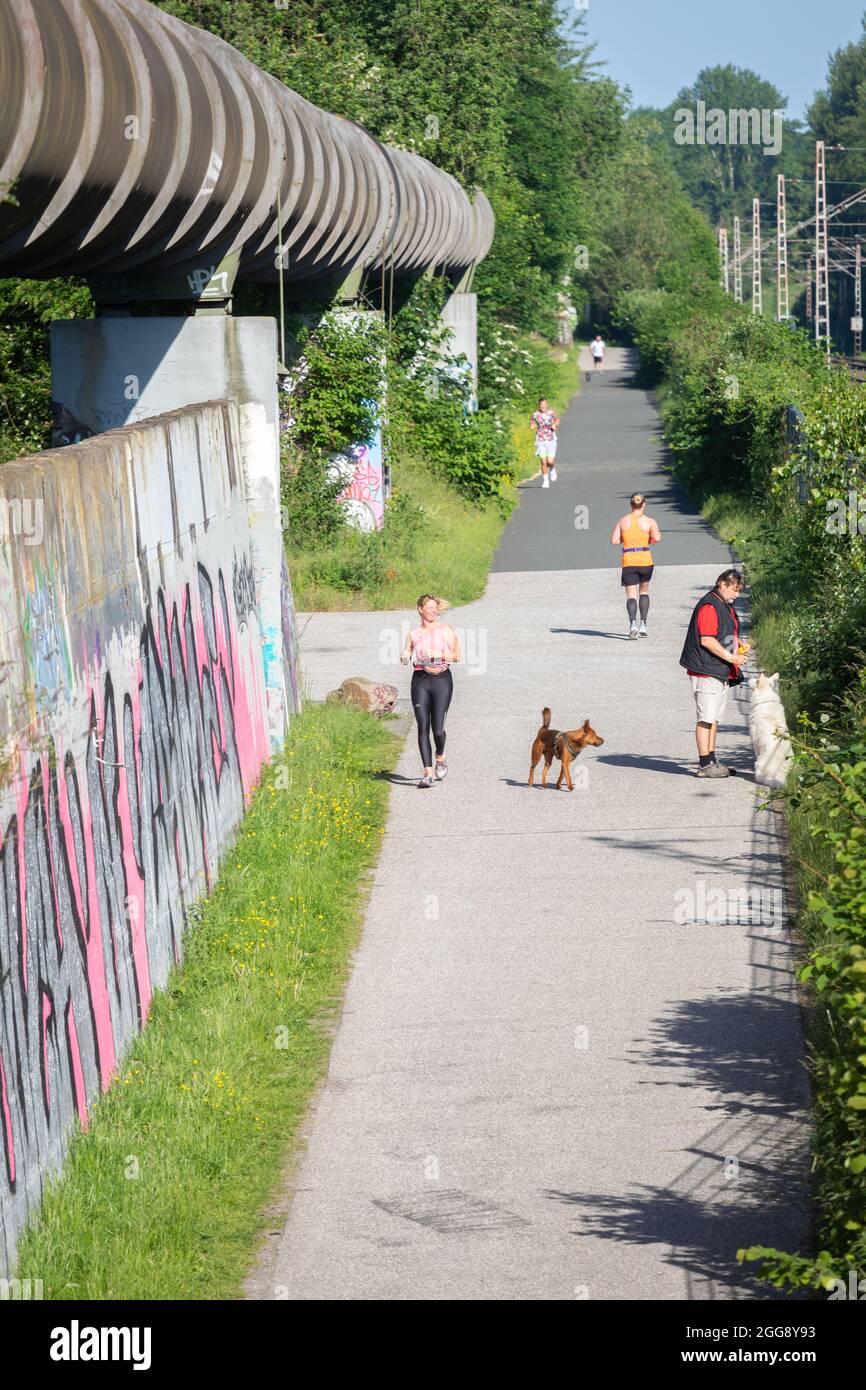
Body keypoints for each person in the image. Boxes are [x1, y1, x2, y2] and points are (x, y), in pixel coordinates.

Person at [679, 569, 751, 778]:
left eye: (739, 591)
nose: (736, 595)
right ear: (722, 584)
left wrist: (738, 645)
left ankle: (711, 760)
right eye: (734, 590)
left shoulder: (723, 605)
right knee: (706, 717)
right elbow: (707, 639)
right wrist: (732, 658)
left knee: (714, 718)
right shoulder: (710, 606)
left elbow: (723, 634)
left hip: (718, 670)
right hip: (706, 669)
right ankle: (704, 765)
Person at [401, 594, 460, 787]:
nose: (433, 611)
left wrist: (439, 653)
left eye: (435, 608)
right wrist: (404, 655)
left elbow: (457, 655)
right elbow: (407, 654)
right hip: (420, 680)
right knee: (422, 726)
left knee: (438, 729)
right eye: (430, 608)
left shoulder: (445, 630)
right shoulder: (414, 633)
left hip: (442, 680)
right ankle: (427, 773)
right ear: (420, 609)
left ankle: (440, 758)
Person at [610, 492, 661, 638]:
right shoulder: (650, 521)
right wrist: (647, 539)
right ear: (644, 504)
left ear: (631, 504)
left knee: (631, 595)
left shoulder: (623, 521)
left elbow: (614, 541)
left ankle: (633, 624)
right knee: (644, 591)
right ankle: (643, 625)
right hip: (645, 560)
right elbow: (657, 538)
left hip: (629, 561)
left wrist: (625, 538)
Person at [530, 397, 559, 488]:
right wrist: (532, 426)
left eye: (544, 404)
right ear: (539, 405)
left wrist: (555, 425)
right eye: (541, 404)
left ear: (547, 404)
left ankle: (552, 469)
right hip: (540, 440)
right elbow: (531, 424)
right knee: (543, 462)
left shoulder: (551, 413)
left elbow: (557, 420)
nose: (543, 406)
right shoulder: (535, 414)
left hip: (551, 439)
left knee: (550, 461)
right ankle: (546, 481)